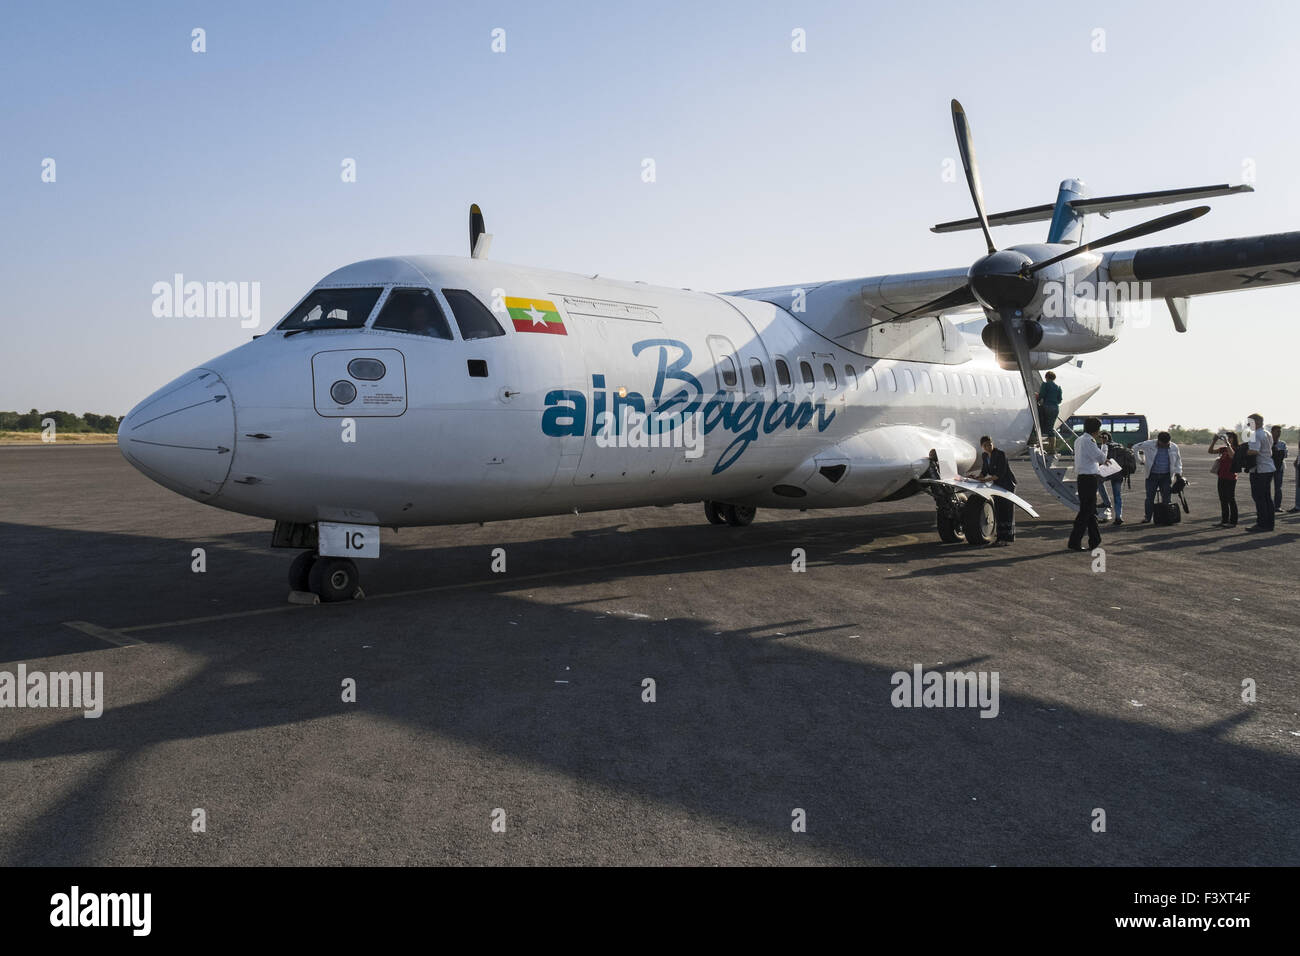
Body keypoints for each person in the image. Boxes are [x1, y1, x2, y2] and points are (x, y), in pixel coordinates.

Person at [1069, 416, 1105, 551]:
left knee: (1090, 511)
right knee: (1086, 512)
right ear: (1096, 430)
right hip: (1089, 478)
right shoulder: (1089, 441)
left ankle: (1095, 540)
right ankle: (1074, 541)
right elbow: (1100, 457)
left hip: (1082, 478)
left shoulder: (1079, 440)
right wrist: (1104, 446)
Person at [974, 435, 1017, 546]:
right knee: (998, 509)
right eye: (986, 445)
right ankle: (999, 538)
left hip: (1007, 485)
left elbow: (1000, 473)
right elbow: (984, 471)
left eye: (990, 444)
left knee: (1006, 511)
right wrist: (977, 477)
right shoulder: (984, 456)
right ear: (982, 447)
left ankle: (1006, 538)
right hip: (997, 485)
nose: (989, 446)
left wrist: (986, 480)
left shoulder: (1000, 454)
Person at [1133, 431, 1183, 523]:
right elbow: (1135, 447)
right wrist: (1140, 460)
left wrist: (1178, 473)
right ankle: (1147, 517)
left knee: (1166, 498)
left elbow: (1178, 461)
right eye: (1162, 443)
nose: (1165, 445)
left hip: (1166, 476)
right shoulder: (1149, 444)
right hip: (1152, 475)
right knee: (1149, 498)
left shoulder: (1174, 447)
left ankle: (1166, 516)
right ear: (1158, 440)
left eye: (1166, 443)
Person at [1244, 413, 1275, 532]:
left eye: (1249, 422)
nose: (1248, 425)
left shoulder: (1256, 434)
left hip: (1259, 469)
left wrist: (1242, 452)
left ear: (1255, 422)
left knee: (1259, 497)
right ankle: (1269, 523)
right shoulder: (1267, 433)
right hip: (1268, 467)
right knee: (1267, 497)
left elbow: (1254, 451)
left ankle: (1262, 523)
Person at [1208, 431, 1239, 528]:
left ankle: (1233, 521)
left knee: (1231, 499)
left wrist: (1228, 444)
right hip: (1221, 476)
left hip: (1231, 477)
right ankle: (1224, 520)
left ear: (1234, 438)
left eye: (1230, 437)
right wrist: (1214, 441)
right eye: (1227, 437)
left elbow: (1232, 456)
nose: (1228, 438)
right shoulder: (1224, 449)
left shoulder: (1237, 448)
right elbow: (1211, 451)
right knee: (1223, 499)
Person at [1095, 430, 1126, 525]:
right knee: (1117, 496)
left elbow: (1101, 459)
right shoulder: (1119, 445)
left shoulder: (1104, 446)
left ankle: (1106, 502)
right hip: (1119, 473)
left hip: (1109, 472)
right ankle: (1118, 517)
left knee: (1098, 482)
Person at [1036, 371, 1063, 455]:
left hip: (1047, 406)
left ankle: (1047, 446)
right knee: (1051, 427)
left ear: (1046, 377)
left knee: (1042, 423)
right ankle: (1052, 448)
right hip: (1055, 408)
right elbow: (1059, 400)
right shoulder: (1058, 387)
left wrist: (1037, 398)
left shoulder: (1045, 384)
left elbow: (1042, 395)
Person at [1270, 425, 1287, 510]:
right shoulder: (1268, 442)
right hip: (1268, 467)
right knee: (1267, 487)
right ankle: (1268, 505)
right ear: (1272, 432)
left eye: (1280, 432)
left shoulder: (1282, 443)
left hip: (1279, 468)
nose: (1279, 433)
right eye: (1277, 431)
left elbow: (1285, 455)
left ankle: (1277, 506)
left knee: (1278, 488)